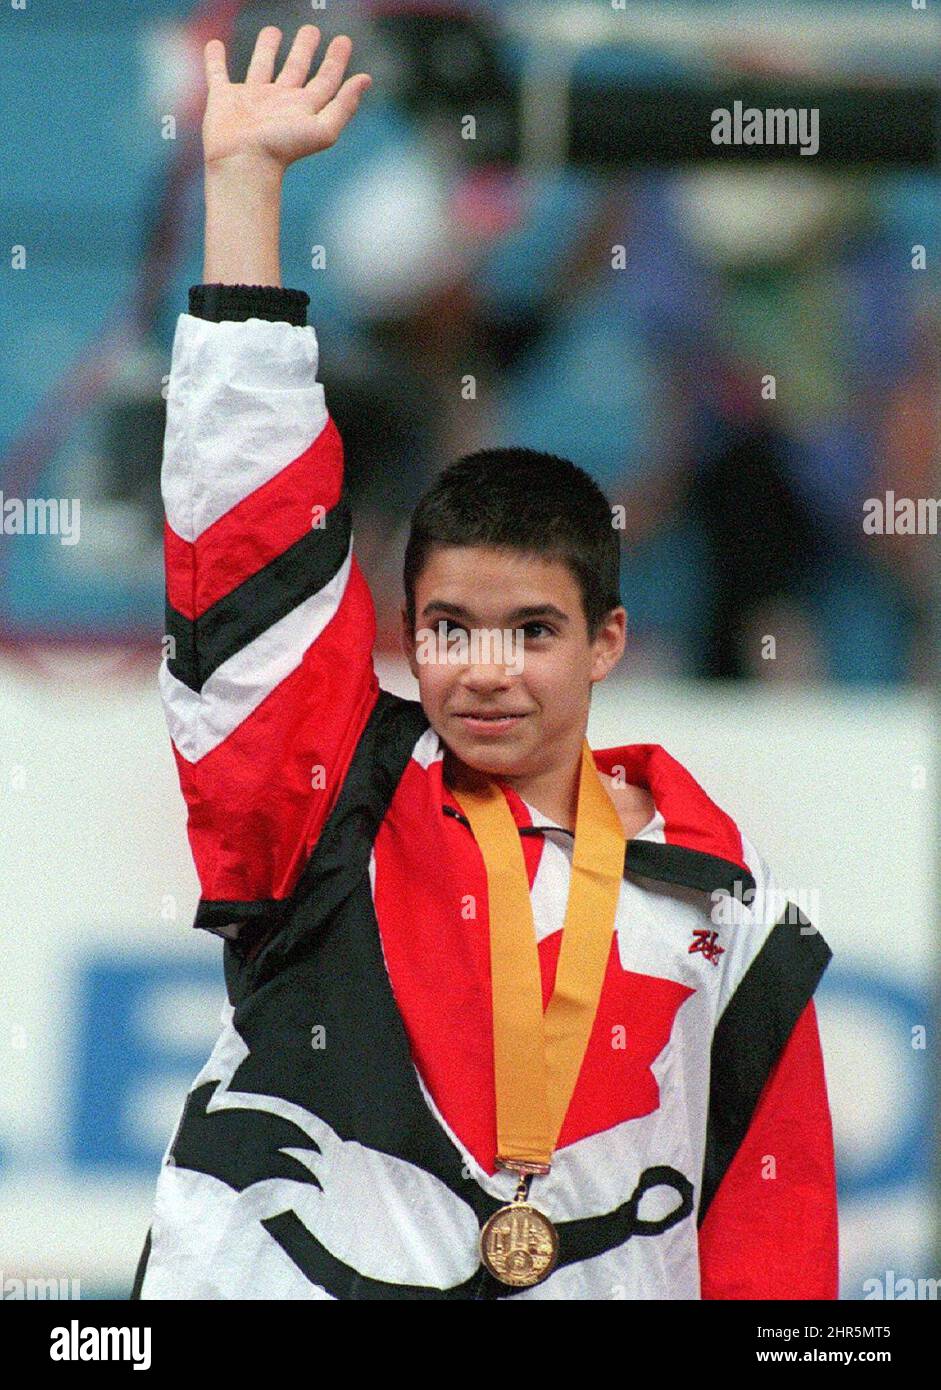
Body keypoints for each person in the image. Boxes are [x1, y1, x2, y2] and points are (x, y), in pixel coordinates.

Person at [132, 23, 837, 1300]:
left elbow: (773, 1242)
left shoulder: (724, 898)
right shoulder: (332, 809)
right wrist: (244, 202)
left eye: (532, 632)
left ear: (606, 642)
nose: (484, 670)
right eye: (449, 629)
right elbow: (247, 578)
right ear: (410, 633)